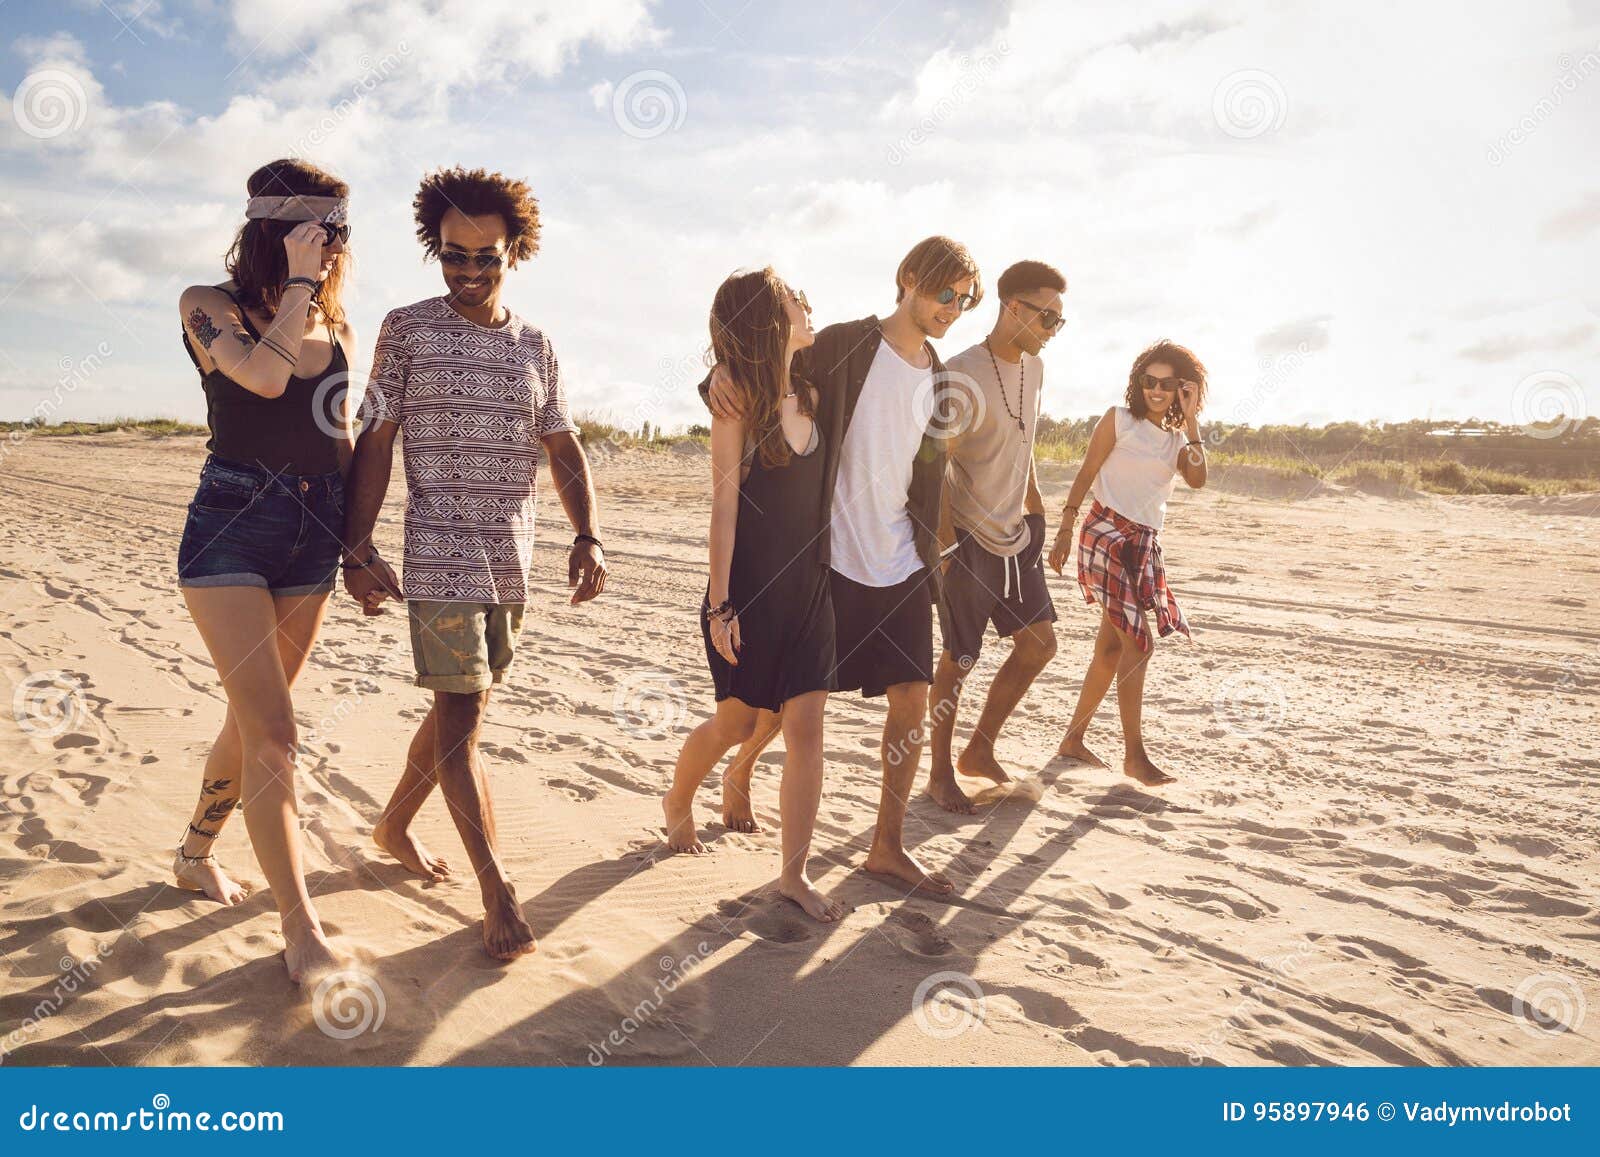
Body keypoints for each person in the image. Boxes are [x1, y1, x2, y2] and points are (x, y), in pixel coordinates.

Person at [341, 166, 607, 960]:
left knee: (463, 711)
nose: (466, 271)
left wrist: (587, 535)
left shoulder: (537, 345)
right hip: (438, 554)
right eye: (453, 254)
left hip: (510, 561)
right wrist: (356, 548)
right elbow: (376, 441)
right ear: (436, 248)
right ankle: (498, 891)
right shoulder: (407, 329)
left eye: (484, 256)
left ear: (514, 251)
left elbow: (562, 444)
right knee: (463, 723)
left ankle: (392, 824)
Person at [704, 236, 982, 896]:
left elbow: (928, 472)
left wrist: (940, 547)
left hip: (900, 561)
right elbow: (765, 367)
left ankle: (886, 846)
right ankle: (740, 767)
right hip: (829, 560)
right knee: (786, 713)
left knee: (912, 703)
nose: (954, 308)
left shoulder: (941, 378)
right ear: (909, 278)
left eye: (966, 300)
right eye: (946, 293)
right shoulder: (844, 344)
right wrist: (714, 375)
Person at [171, 157, 358, 984]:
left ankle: (193, 852)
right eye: (310, 231)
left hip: (314, 532)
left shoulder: (339, 329)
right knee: (277, 731)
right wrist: (299, 287)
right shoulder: (205, 307)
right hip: (232, 529)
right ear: (270, 233)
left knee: (253, 720)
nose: (325, 246)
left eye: (335, 234)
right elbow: (264, 375)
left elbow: (341, 437)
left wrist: (359, 544)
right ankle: (301, 928)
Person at [661, 268, 845, 923]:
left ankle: (793, 874)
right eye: (796, 295)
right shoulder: (735, 394)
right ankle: (678, 800)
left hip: (812, 590)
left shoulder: (818, 390)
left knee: (804, 728)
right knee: (739, 722)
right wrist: (720, 602)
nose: (808, 300)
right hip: (749, 591)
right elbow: (724, 507)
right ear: (771, 319)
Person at [926, 261, 1067, 814]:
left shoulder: (1035, 369)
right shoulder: (961, 376)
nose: (1053, 328)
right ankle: (940, 774)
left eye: (1060, 319)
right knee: (959, 660)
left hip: (1017, 533)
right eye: (1046, 316)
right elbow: (933, 464)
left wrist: (1037, 508)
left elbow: (1023, 443)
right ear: (1012, 306)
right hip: (968, 538)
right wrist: (945, 547)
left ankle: (978, 749)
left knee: (1039, 644)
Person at [1047, 340, 1208, 786]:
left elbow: (1197, 478)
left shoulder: (1177, 441)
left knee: (1111, 647)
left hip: (1143, 546)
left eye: (1168, 384)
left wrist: (1192, 419)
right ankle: (1134, 757)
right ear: (1139, 383)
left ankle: (1072, 740)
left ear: (1181, 389)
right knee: (1139, 645)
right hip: (1105, 535)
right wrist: (1064, 529)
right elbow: (1084, 473)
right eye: (1149, 382)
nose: (1156, 390)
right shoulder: (1119, 421)